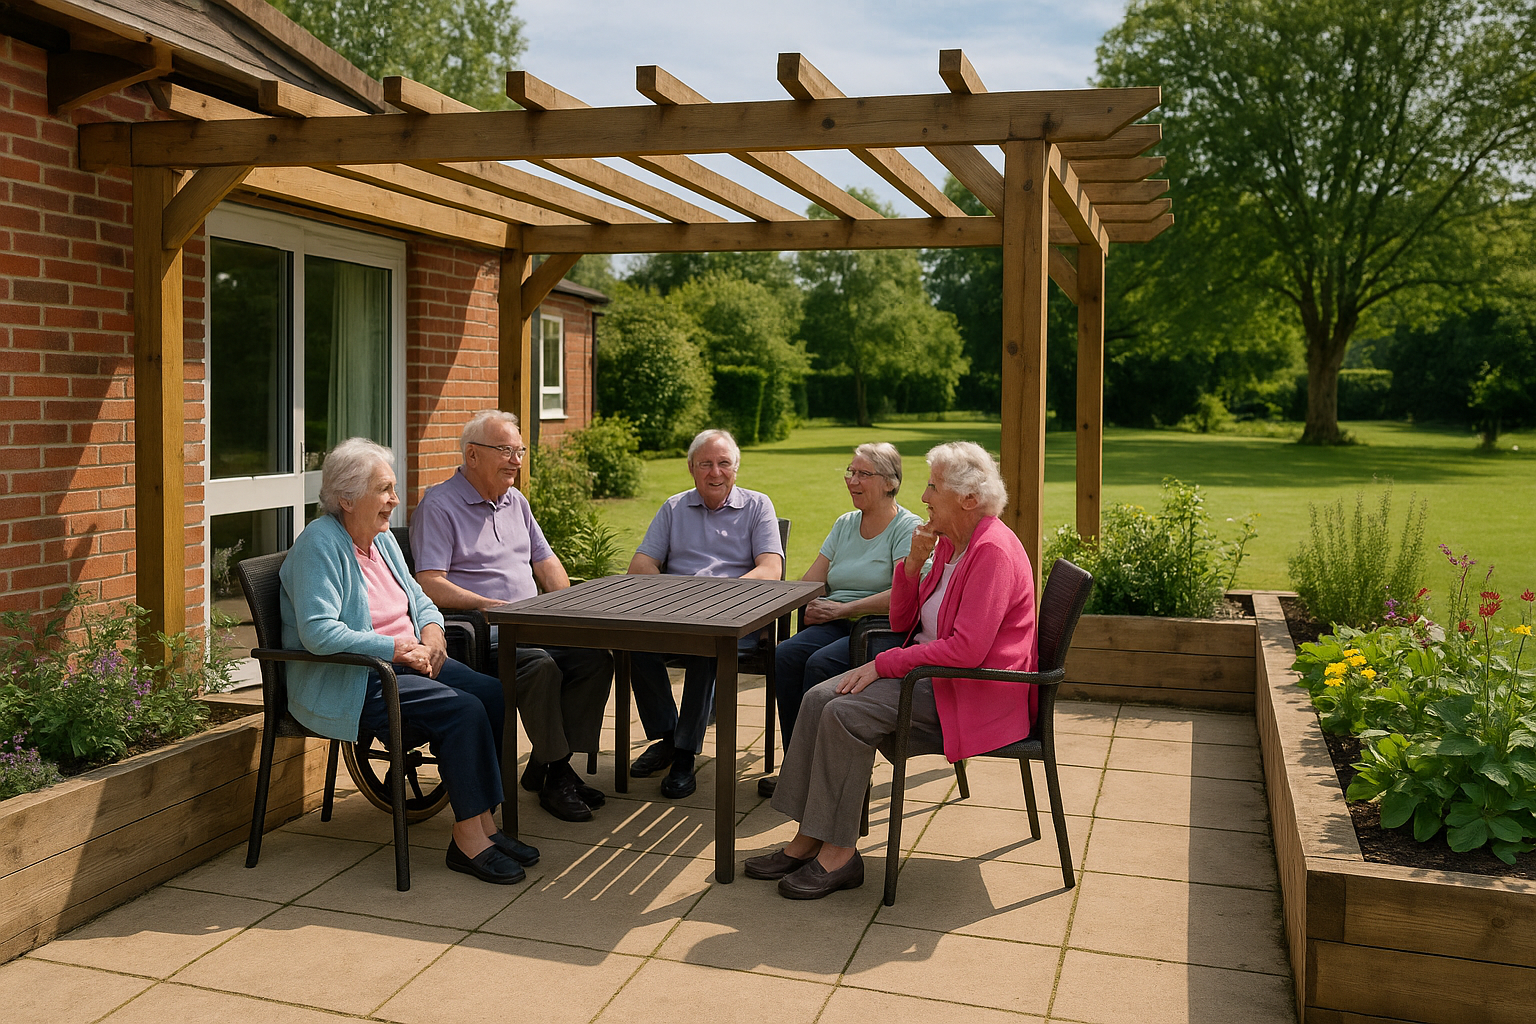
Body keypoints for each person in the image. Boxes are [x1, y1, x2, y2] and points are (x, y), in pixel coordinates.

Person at [746, 441, 1037, 899]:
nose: (923, 497)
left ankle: (839, 855)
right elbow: (903, 621)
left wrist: (884, 664)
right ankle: (809, 837)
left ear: (967, 499)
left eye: (932, 487)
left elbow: (967, 651)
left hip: (972, 692)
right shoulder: (949, 544)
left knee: (844, 714)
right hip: (933, 678)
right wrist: (913, 564)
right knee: (818, 696)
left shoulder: (992, 552)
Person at [280, 437, 539, 886]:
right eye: (383, 490)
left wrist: (433, 633)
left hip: (402, 661)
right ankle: (466, 841)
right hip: (356, 677)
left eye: (392, 488)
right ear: (346, 498)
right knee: (463, 710)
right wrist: (396, 648)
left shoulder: (381, 541)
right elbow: (318, 632)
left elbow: (420, 600)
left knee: (493, 693)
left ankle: (485, 825)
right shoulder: (318, 545)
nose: (394, 501)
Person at [410, 410, 614, 824]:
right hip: (481, 634)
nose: (516, 460)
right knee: (541, 668)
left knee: (595, 658)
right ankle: (558, 774)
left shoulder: (515, 501)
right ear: (472, 455)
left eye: (519, 450)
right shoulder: (439, 505)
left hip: (532, 624)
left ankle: (545, 764)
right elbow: (428, 582)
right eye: (505, 450)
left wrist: (569, 608)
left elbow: (546, 560)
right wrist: (490, 606)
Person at [758, 443, 923, 798]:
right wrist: (798, 600)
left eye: (864, 474)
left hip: (878, 630)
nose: (853, 480)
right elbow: (813, 579)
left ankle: (827, 774)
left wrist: (843, 609)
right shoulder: (845, 524)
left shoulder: (907, 528)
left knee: (819, 664)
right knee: (785, 654)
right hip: (836, 623)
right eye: (851, 472)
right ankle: (798, 766)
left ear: (890, 482)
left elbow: (904, 594)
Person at [627, 429, 785, 799]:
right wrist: (677, 597)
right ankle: (669, 734)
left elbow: (770, 569)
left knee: (706, 647)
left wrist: (718, 600)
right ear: (691, 468)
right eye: (706, 464)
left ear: (736, 468)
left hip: (735, 618)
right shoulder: (674, 507)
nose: (716, 472)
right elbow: (641, 564)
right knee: (633, 642)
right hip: (678, 614)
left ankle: (683, 754)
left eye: (724, 463)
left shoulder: (758, 506)